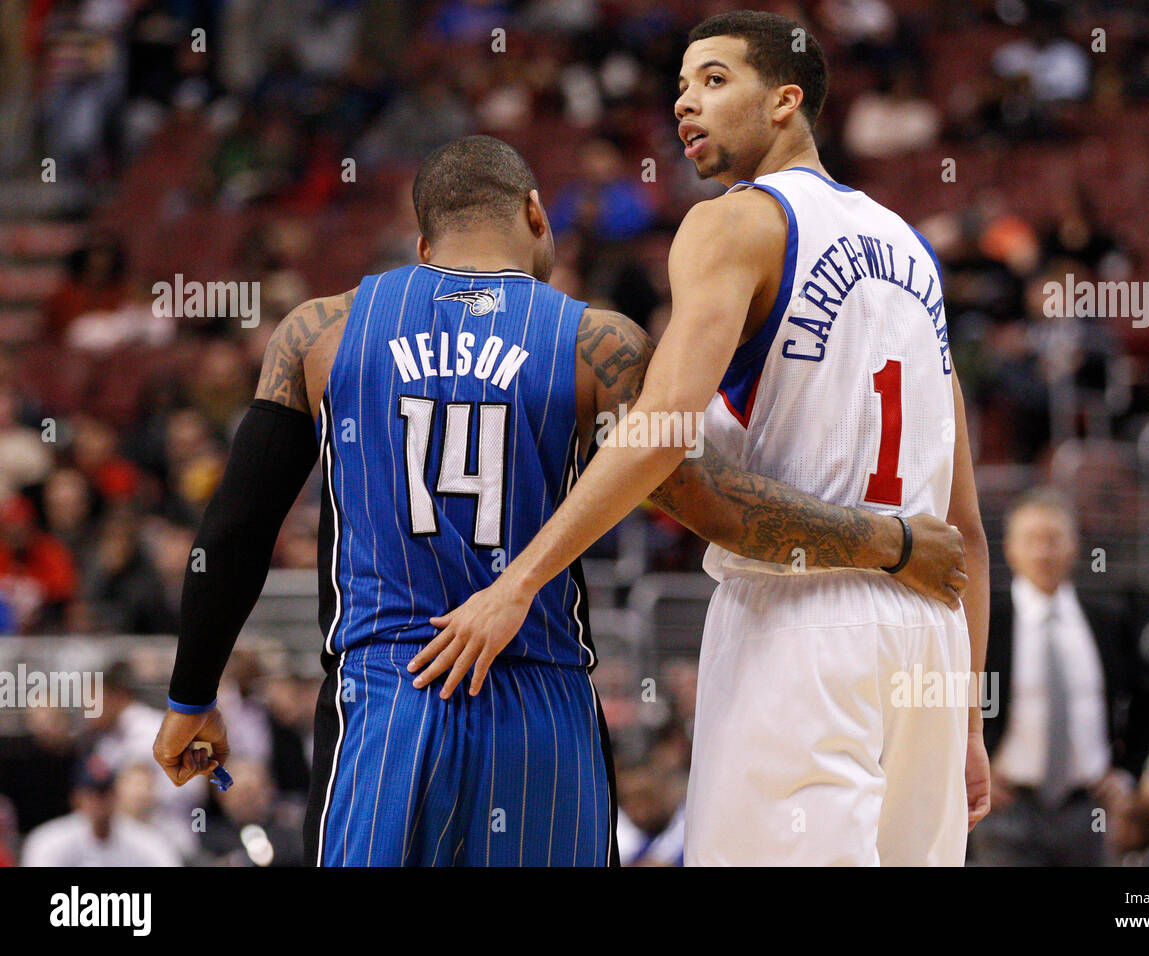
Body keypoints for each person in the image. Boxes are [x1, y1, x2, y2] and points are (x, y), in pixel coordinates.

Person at [153, 134, 968, 867]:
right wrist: (888, 541)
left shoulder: (318, 332)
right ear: (537, 215)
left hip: (384, 700)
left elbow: (232, 532)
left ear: (423, 237)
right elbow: (715, 505)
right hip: (540, 707)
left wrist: (193, 696)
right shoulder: (598, 341)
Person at [417, 11, 990, 866]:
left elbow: (660, 429)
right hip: (929, 635)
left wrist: (521, 582)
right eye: (682, 86)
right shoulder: (912, 250)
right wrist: (968, 714)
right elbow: (967, 526)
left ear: (785, 101)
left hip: (804, 617)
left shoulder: (734, 222)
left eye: (715, 81)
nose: (686, 104)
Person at [973, 489, 1149, 866]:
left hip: (1088, 809)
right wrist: (973, 767)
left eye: (1053, 539)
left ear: (1074, 546)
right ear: (1010, 548)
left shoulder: (1108, 619)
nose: (1043, 552)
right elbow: (948, 696)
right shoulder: (987, 622)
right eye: (1031, 540)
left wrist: (1129, 771)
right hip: (1007, 806)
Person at [21, 756, 180, 867]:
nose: (99, 802)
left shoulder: (148, 842)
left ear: (116, 795)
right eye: (91, 795)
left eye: (104, 793)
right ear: (77, 799)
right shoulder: (49, 840)